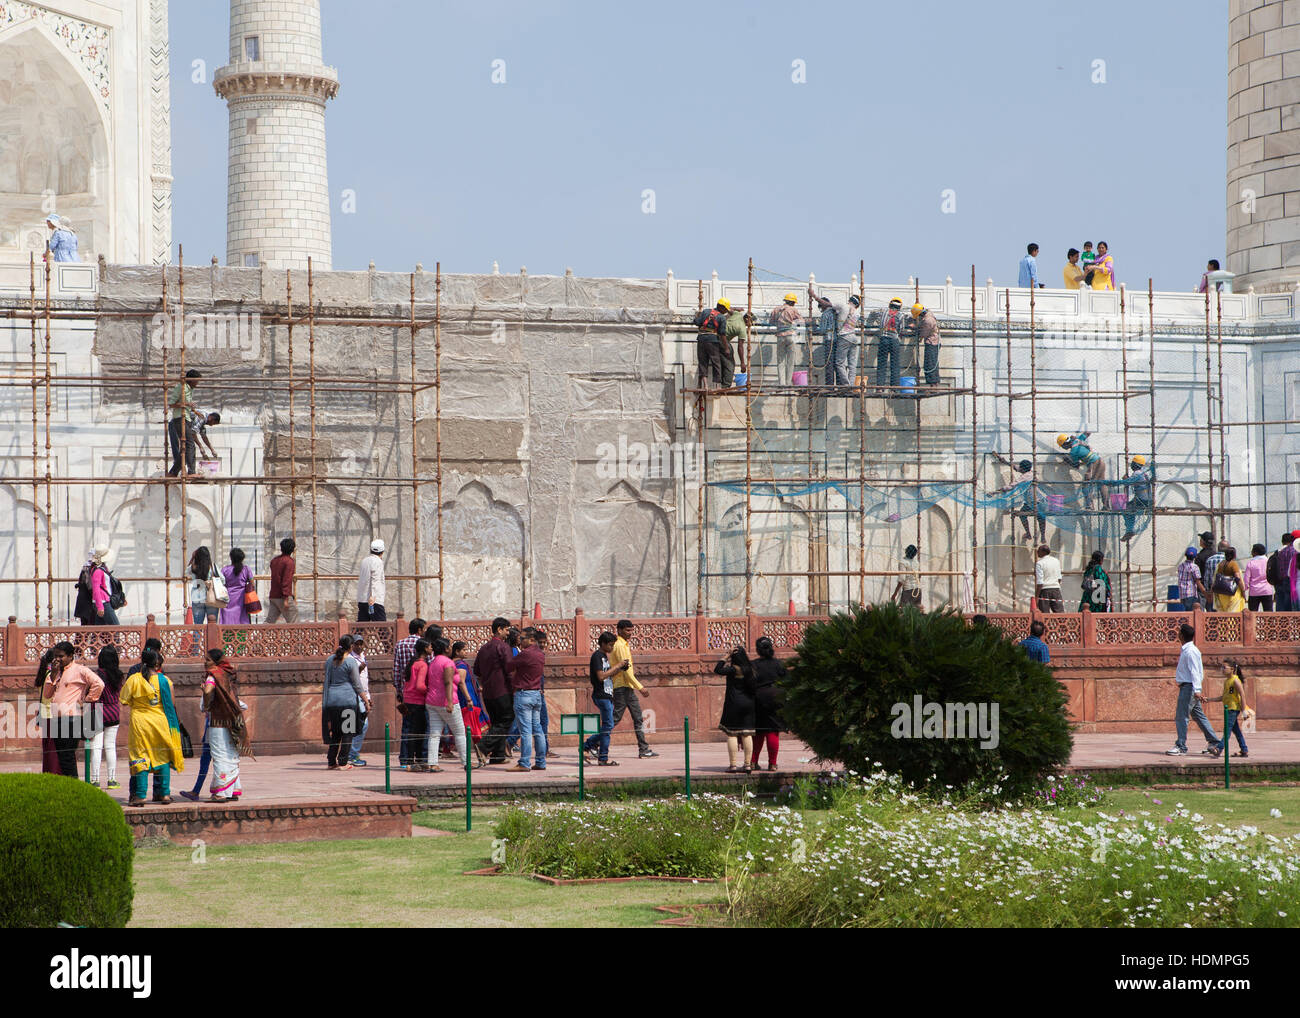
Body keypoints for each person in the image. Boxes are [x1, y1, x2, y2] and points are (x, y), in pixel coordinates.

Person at [122, 647, 184, 804]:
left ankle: (140, 795)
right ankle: (164, 794)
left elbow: (124, 700)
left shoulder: (134, 680)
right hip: (160, 722)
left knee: (140, 756)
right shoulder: (165, 681)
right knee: (162, 756)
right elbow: (173, 704)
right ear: (158, 665)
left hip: (140, 723)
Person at [40, 642, 104, 777]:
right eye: (55, 656)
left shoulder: (80, 670)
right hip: (56, 718)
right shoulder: (55, 672)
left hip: (71, 718)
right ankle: (68, 786)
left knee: (67, 756)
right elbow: (47, 694)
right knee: (62, 758)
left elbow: (99, 684)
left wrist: (88, 699)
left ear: (70, 656)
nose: (57, 659)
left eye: (61, 656)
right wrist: (53, 675)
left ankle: (74, 787)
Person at [1167, 623, 1221, 756]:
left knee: (1181, 717)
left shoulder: (1190, 651)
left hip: (1189, 687)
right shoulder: (1189, 649)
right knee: (1198, 715)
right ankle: (1214, 742)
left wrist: (1197, 690)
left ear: (1181, 635)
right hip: (1189, 686)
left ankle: (1181, 746)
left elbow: (1195, 672)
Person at [200, 649, 245, 801]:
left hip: (218, 721)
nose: (205, 662)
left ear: (215, 661)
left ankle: (220, 792)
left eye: (208, 659)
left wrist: (206, 701)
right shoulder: (227, 673)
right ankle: (233, 790)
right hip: (232, 720)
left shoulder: (213, 675)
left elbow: (208, 690)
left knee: (219, 755)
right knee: (231, 754)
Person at [609, 619, 657, 758]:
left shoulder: (623, 644)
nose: (630, 633)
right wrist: (640, 687)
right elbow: (626, 671)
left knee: (638, 718)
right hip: (622, 687)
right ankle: (593, 744)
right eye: (627, 630)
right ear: (619, 630)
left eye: (631, 630)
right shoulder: (619, 646)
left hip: (627, 687)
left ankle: (643, 749)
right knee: (615, 719)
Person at [474, 617, 515, 764]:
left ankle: (498, 756)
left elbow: (477, 670)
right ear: (499, 629)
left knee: (497, 722)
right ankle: (483, 746)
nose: (508, 633)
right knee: (506, 720)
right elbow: (510, 671)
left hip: (488, 693)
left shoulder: (484, 648)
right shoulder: (503, 647)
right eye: (506, 630)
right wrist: (514, 689)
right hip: (502, 690)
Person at [582, 631, 627, 766]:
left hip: (607, 695)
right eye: (610, 645)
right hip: (601, 695)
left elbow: (608, 675)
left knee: (608, 726)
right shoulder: (597, 656)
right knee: (608, 727)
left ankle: (588, 746)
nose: (612, 648)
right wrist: (618, 665)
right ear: (603, 644)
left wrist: (620, 669)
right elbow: (601, 676)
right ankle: (600, 756)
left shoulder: (604, 657)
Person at [505, 627, 547, 772]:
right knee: (538, 729)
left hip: (524, 694)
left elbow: (509, 666)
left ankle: (524, 762)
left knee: (526, 731)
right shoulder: (540, 654)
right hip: (536, 693)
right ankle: (541, 761)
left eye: (522, 638)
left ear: (531, 639)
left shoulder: (525, 654)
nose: (520, 641)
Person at [426, 637, 469, 773]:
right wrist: (450, 702)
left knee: (434, 733)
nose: (451, 648)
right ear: (445, 649)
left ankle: (432, 763)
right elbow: (448, 682)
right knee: (460, 732)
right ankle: (466, 761)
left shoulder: (433, 662)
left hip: (432, 701)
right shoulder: (448, 663)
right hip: (447, 701)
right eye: (449, 646)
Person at [322, 635, 364, 770]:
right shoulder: (351, 661)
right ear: (351, 646)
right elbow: (357, 685)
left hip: (332, 701)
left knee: (336, 733)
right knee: (347, 732)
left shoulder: (329, 660)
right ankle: (343, 762)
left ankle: (331, 761)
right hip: (347, 701)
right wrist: (366, 700)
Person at [714, 646, 757, 773]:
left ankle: (733, 765)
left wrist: (726, 656)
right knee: (747, 733)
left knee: (732, 733)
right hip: (748, 703)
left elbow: (717, 670)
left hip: (734, 703)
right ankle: (747, 765)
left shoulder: (733, 669)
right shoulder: (751, 669)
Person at [392, 618, 427, 768]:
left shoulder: (400, 644)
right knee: (420, 728)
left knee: (407, 727)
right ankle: (419, 758)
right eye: (424, 629)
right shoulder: (425, 646)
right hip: (420, 695)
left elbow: (396, 670)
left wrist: (399, 691)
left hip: (406, 692)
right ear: (419, 630)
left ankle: (405, 759)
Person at [87, 646, 124, 789]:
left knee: (96, 747)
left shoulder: (97, 675)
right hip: (114, 711)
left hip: (99, 711)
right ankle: (112, 780)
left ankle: (95, 780)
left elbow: (94, 695)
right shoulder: (119, 675)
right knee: (110, 747)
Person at [1198, 659, 1248, 759]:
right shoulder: (1227, 681)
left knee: (1227, 730)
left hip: (1233, 709)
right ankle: (1244, 749)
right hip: (1228, 708)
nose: (1222, 669)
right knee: (1236, 730)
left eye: (1224, 667)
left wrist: (1244, 710)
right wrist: (1210, 700)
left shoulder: (1235, 680)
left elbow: (1242, 695)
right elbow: (1224, 697)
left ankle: (1219, 749)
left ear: (1232, 669)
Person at [750, 636, 787, 771]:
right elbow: (787, 680)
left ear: (758, 650)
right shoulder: (778, 664)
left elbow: (749, 682)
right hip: (775, 698)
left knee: (759, 732)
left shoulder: (754, 664)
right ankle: (772, 764)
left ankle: (753, 762)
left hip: (758, 699)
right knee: (772, 731)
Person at [991, 455, 1046, 544]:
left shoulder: (1025, 477)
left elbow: (1011, 486)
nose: (1019, 468)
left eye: (1021, 467)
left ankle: (1029, 534)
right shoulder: (1030, 473)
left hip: (1033, 502)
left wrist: (995, 492)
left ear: (1023, 469)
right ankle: (1042, 536)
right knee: (1040, 517)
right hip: (1035, 501)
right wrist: (1005, 462)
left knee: (1031, 516)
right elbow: (1016, 467)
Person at [401, 639, 433, 771]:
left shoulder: (412, 663)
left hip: (407, 700)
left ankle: (406, 759)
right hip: (417, 702)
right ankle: (418, 759)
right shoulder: (422, 665)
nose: (432, 649)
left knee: (408, 731)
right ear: (425, 648)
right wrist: (429, 691)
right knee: (418, 733)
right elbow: (420, 686)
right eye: (430, 646)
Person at [74, 545, 123, 625]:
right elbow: (96, 589)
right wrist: (100, 607)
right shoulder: (98, 571)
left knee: (99, 631)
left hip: (102, 602)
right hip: (103, 603)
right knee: (115, 627)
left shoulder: (100, 569)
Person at [167, 369, 202, 478]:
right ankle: (191, 472)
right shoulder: (180, 388)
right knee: (190, 444)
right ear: (191, 380)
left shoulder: (190, 389)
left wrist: (193, 410)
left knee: (186, 448)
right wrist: (186, 404)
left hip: (186, 418)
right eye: (196, 381)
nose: (198, 383)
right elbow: (171, 404)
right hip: (179, 419)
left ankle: (173, 472)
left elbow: (186, 406)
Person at [1056, 432, 1105, 507]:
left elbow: (1076, 466)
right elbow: (1088, 433)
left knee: (1086, 485)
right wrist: (1077, 438)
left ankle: (1090, 506)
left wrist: (1067, 461)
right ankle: (1106, 506)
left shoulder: (1073, 451)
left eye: (1062, 446)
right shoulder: (1077, 440)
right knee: (1101, 485)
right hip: (1100, 461)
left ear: (1065, 445)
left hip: (1093, 464)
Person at [693, 299, 730, 388]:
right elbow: (722, 334)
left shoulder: (706, 312)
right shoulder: (721, 317)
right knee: (716, 362)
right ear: (722, 307)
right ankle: (717, 385)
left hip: (701, 339)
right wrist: (726, 348)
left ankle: (705, 385)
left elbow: (697, 322)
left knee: (703, 362)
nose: (726, 312)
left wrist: (697, 316)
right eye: (725, 310)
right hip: (712, 341)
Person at [768, 293, 803, 382]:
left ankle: (781, 383)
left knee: (780, 361)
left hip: (780, 336)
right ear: (793, 302)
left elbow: (771, 322)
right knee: (790, 361)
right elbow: (801, 321)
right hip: (790, 336)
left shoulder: (776, 310)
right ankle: (788, 383)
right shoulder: (793, 310)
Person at [348, 636, 371, 766]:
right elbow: (350, 676)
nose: (360, 646)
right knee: (356, 725)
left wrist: (368, 698)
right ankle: (352, 754)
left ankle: (352, 753)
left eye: (361, 644)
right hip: (354, 695)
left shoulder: (362, 656)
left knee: (361, 725)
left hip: (364, 695)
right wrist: (359, 669)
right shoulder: (350, 659)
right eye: (357, 644)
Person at [874, 297, 906, 393]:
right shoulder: (900, 315)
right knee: (895, 364)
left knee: (881, 364)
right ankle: (894, 388)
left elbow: (880, 325)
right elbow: (902, 329)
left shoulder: (884, 312)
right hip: (894, 341)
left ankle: (880, 387)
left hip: (884, 340)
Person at [1120, 455, 1153, 542]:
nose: (1131, 465)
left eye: (1133, 463)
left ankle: (1130, 530)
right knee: (1130, 508)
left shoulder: (1137, 473)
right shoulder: (1144, 473)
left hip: (1142, 501)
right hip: (1147, 500)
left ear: (1135, 464)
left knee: (1126, 509)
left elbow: (1128, 482)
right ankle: (1129, 530)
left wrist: (1125, 480)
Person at [219, 547, 253, 625]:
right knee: (242, 618)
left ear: (231, 558)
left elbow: (221, 584)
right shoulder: (246, 569)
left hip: (228, 597)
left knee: (227, 618)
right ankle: (241, 636)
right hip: (242, 598)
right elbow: (252, 583)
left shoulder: (225, 570)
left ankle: (228, 636)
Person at [267, 537, 297, 623]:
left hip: (273, 595)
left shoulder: (274, 561)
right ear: (292, 549)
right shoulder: (289, 562)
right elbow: (286, 581)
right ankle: (295, 636)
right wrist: (286, 599)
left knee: (270, 621)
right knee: (293, 619)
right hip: (282, 596)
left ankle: (261, 636)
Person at [911, 302, 941, 387]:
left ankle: (933, 384)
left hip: (932, 343)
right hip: (933, 342)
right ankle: (934, 383)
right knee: (931, 363)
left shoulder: (928, 320)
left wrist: (917, 332)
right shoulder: (928, 315)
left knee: (930, 364)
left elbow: (923, 333)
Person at [357, 539, 386, 621]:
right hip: (374, 601)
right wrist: (373, 596)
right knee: (382, 628)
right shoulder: (378, 562)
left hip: (362, 599)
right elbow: (375, 579)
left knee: (362, 628)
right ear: (382, 551)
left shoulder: (364, 561)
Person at [1212, 546, 1246, 614]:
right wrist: (1243, 590)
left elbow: (1216, 577)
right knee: (1233, 614)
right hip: (1232, 593)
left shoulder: (1220, 564)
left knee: (1224, 613)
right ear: (1234, 555)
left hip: (1222, 593)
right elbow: (1237, 578)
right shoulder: (1233, 564)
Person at [722, 306, 749, 387]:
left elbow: (726, 308)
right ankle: (725, 386)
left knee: (722, 362)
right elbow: (740, 347)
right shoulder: (743, 329)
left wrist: (736, 308)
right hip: (723, 340)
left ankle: (720, 383)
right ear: (747, 321)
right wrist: (742, 363)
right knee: (730, 364)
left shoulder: (738, 314)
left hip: (715, 335)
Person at [1243, 543, 1273, 612]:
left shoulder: (1251, 563)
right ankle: (1268, 623)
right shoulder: (1268, 561)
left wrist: (1244, 589)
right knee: (1268, 613)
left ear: (1255, 552)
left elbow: (1246, 580)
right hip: (1267, 590)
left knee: (1253, 614)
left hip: (1254, 591)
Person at [1034, 544, 1064, 613]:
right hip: (1056, 590)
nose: (1037, 552)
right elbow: (1059, 578)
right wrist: (1055, 585)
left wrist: (1036, 597)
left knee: (1044, 614)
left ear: (1044, 552)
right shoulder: (1056, 561)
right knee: (1059, 614)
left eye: (1039, 551)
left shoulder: (1040, 563)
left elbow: (1040, 582)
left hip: (1045, 591)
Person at [1176, 546, 1206, 612]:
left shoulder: (1181, 566)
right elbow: (1198, 581)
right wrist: (1204, 592)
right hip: (1191, 593)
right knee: (1191, 613)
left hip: (1182, 594)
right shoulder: (1194, 567)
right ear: (1195, 557)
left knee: (1186, 613)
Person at [1273, 531, 1296, 612]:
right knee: (1291, 604)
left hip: (1281, 579)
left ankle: (1282, 622)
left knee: (1281, 604)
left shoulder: (1281, 551)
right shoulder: (1295, 551)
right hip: (1292, 580)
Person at [1204, 540, 1228, 612]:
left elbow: (1206, 578)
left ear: (1218, 548)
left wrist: (1207, 591)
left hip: (1213, 590)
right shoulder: (1229, 560)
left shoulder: (1210, 560)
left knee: (1212, 614)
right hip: (1226, 591)